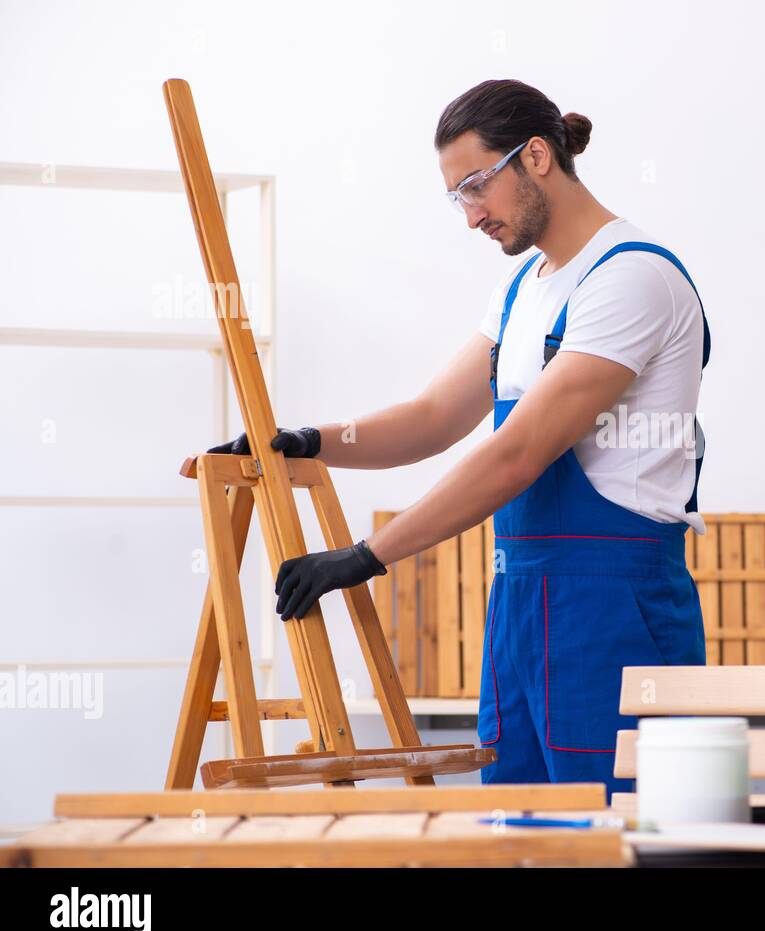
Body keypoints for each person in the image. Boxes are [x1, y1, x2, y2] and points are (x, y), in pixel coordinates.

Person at [207, 79, 710, 795]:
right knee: (520, 827)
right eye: (457, 198)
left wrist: (366, 556)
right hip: (520, 604)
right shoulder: (525, 290)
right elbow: (434, 417)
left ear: (536, 156)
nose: (471, 216)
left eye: (476, 186)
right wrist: (309, 439)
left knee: (616, 831)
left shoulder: (631, 279)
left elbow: (518, 454)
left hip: (615, 610)